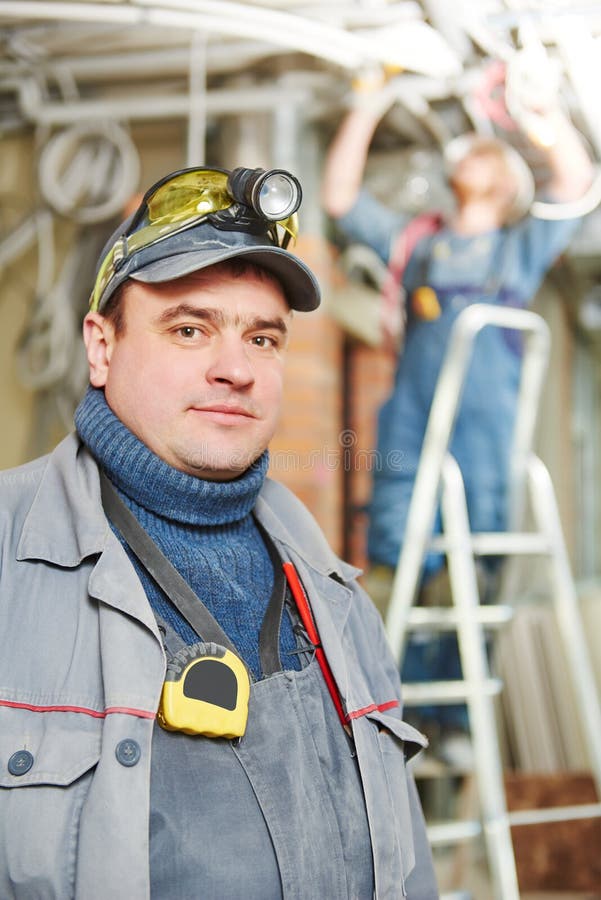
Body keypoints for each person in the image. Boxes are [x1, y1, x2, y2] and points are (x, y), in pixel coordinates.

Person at [0, 164, 438, 899]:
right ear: (100, 346)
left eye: (263, 339)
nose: (235, 368)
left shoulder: (333, 592)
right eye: (190, 328)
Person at [321, 74, 593, 758]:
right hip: (411, 439)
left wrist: (538, 117)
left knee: (474, 574)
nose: (469, 156)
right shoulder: (417, 243)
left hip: (482, 449)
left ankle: (457, 728)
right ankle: (387, 715)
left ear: (505, 187)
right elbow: (339, 199)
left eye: (486, 154)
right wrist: (366, 104)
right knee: (395, 565)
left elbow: (576, 180)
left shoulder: (516, 249)